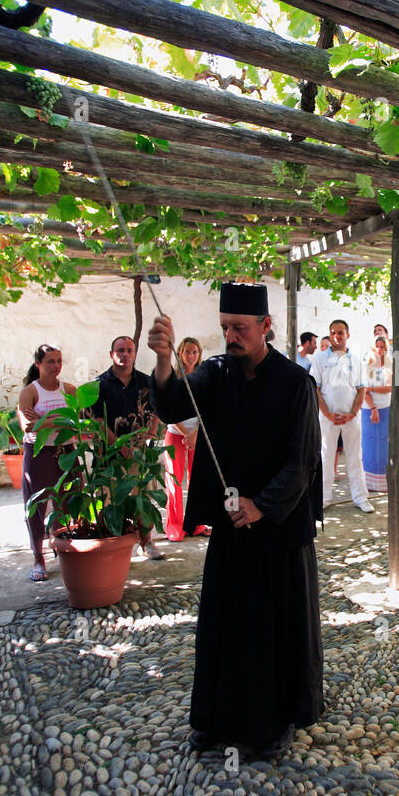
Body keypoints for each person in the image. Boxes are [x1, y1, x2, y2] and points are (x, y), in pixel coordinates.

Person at [148, 282, 324, 756]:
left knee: (270, 631)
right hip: (231, 532)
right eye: (226, 328)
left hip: (277, 533)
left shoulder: (295, 383)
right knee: (226, 628)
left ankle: (272, 724)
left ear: (266, 327)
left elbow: (302, 459)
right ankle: (217, 719)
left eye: (240, 328)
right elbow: (172, 404)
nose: (231, 336)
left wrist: (261, 504)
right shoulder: (215, 373)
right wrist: (165, 361)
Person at [91, 335, 164, 560]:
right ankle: (110, 546)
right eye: (120, 350)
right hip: (109, 454)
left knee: (141, 497)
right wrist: (117, 444)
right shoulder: (100, 384)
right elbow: (97, 420)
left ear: (134, 353)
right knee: (108, 501)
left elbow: (157, 410)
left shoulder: (146, 382)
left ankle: (146, 542)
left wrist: (149, 435)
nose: (125, 354)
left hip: (138, 453)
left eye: (129, 350)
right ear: (112, 354)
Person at [18, 344, 76, 581]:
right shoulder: (30, 391)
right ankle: (38, 558)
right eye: (50, 361)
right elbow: (27, 425)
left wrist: (44, 419)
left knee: (67, 503)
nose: (56, 366)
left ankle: (60, 549)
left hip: (66, 451)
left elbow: (76, 423)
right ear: (38, 364)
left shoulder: (69, 389)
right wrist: (57, 419)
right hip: (38, 452)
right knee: (37, 506)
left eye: (59, 361)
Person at [309, 320, 374, 511]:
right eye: (333, 333)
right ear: (330, 335)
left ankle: (361, 498)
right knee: (326, 456)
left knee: (355, 456)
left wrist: (353, 413)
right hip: (327, 418)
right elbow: (316, 389)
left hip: (351, 418)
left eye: (341, 332)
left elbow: (362, 389)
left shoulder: (357, 360)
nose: (337, 336)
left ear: (348, 335)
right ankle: (323, 498)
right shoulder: (320, 359)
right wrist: (328, 414)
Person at [163, 337, 209, 542]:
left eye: (195, 352)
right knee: (174, 482)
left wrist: (196, 435)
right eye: (187, 352)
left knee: (197, 482)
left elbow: (208, 409)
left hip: (197, 436)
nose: (191, 356)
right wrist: (186, 435)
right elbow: (169, 410)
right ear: (180, 353)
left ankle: (195, 524)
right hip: (176, 435)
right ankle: (174, 527)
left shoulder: (203, 377)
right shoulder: (172, 378)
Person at [362, 332, 393, 494]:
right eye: (377, 346)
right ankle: (367, 483)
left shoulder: (389, 366)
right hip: (368, 409)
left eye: (383, 347)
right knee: (368, 445)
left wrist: (373, 388)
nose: (380, 350)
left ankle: (382, 483)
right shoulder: (367, 366)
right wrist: (373, 408)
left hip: (386, 408)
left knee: (383, 445)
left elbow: (390, 388)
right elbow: (363, 390)